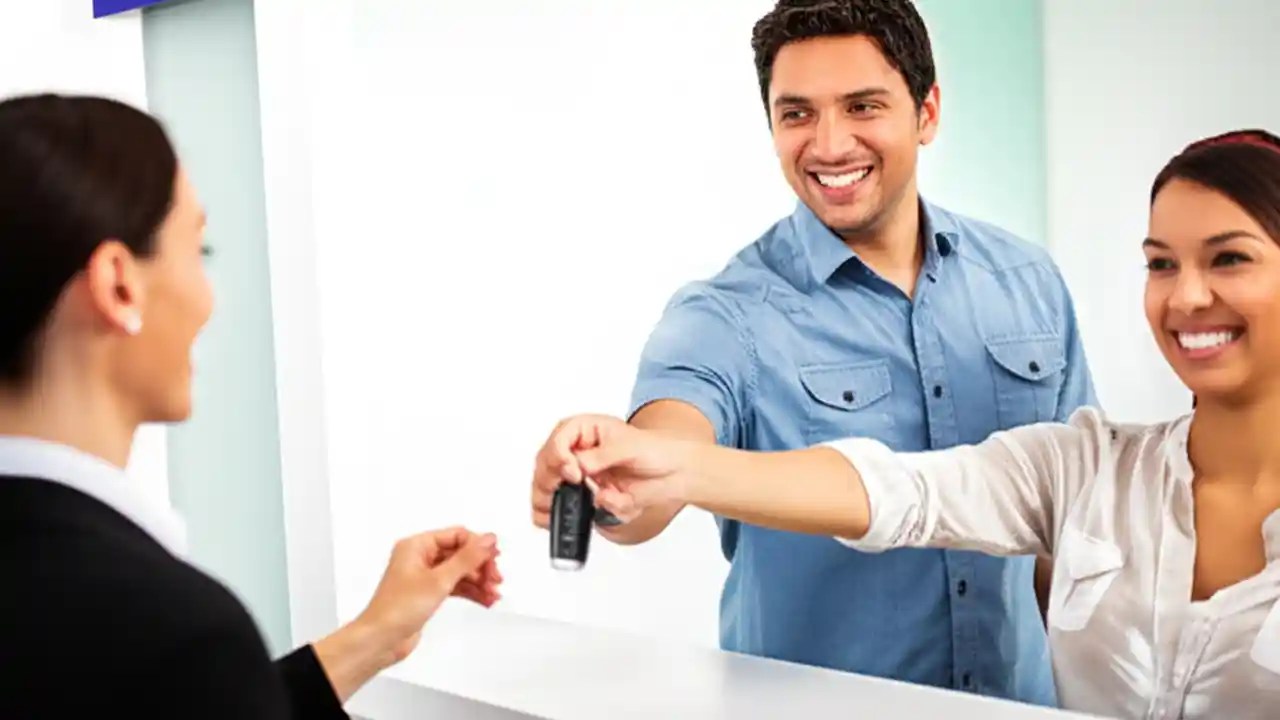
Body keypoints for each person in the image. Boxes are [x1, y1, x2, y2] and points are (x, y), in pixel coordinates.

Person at [538, 129, 1280, 719]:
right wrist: (666, 465)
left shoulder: (1024, 281)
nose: (1186, 298)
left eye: (1230, 260)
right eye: (1160, 264)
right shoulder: (1086, 469)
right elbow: (902, 488)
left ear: (926, 111)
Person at [530, 0, 1093, 705]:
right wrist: (618, 483)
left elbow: (1072, 518)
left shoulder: (1027, 282)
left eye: (862, 106)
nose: (828, 145)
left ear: (927, 112)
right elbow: (663, 456)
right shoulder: (724, 313)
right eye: (797, 114)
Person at [0, 92, 503, 718]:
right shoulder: (171, 633)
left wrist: (372, 637)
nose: (208, 299)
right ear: (118, 284)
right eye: (198, 252)